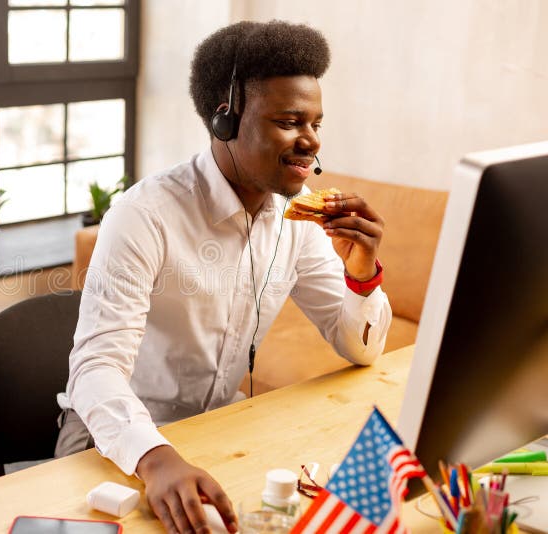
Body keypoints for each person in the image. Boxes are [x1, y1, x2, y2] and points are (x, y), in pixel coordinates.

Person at [55, 20, 392, 533]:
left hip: (215, 426)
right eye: (289, 121)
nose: (309, 142)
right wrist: (158, 459)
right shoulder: (143, 215)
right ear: (225, 121)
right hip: (118, 438)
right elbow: (94, 369)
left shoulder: (294, 219)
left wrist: (362, 273)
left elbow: (359, 349)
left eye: (316, 124)